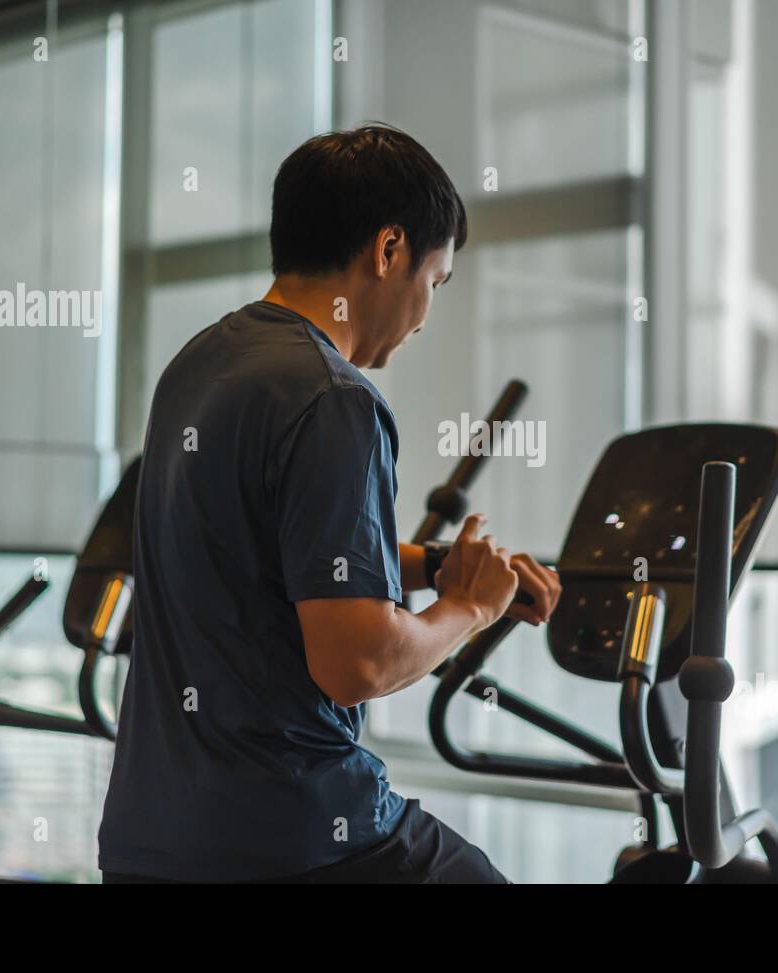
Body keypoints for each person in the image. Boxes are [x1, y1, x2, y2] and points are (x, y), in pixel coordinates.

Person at [98, 124, 561, 884]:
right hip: (296, 840)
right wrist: (468, 611)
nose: (424, 314)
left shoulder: (199, 364)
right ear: (387, 251)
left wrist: (442, 567)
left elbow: (269, 551)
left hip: (149, 841)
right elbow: (359, 661)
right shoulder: (335, 399)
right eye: (434, 282)